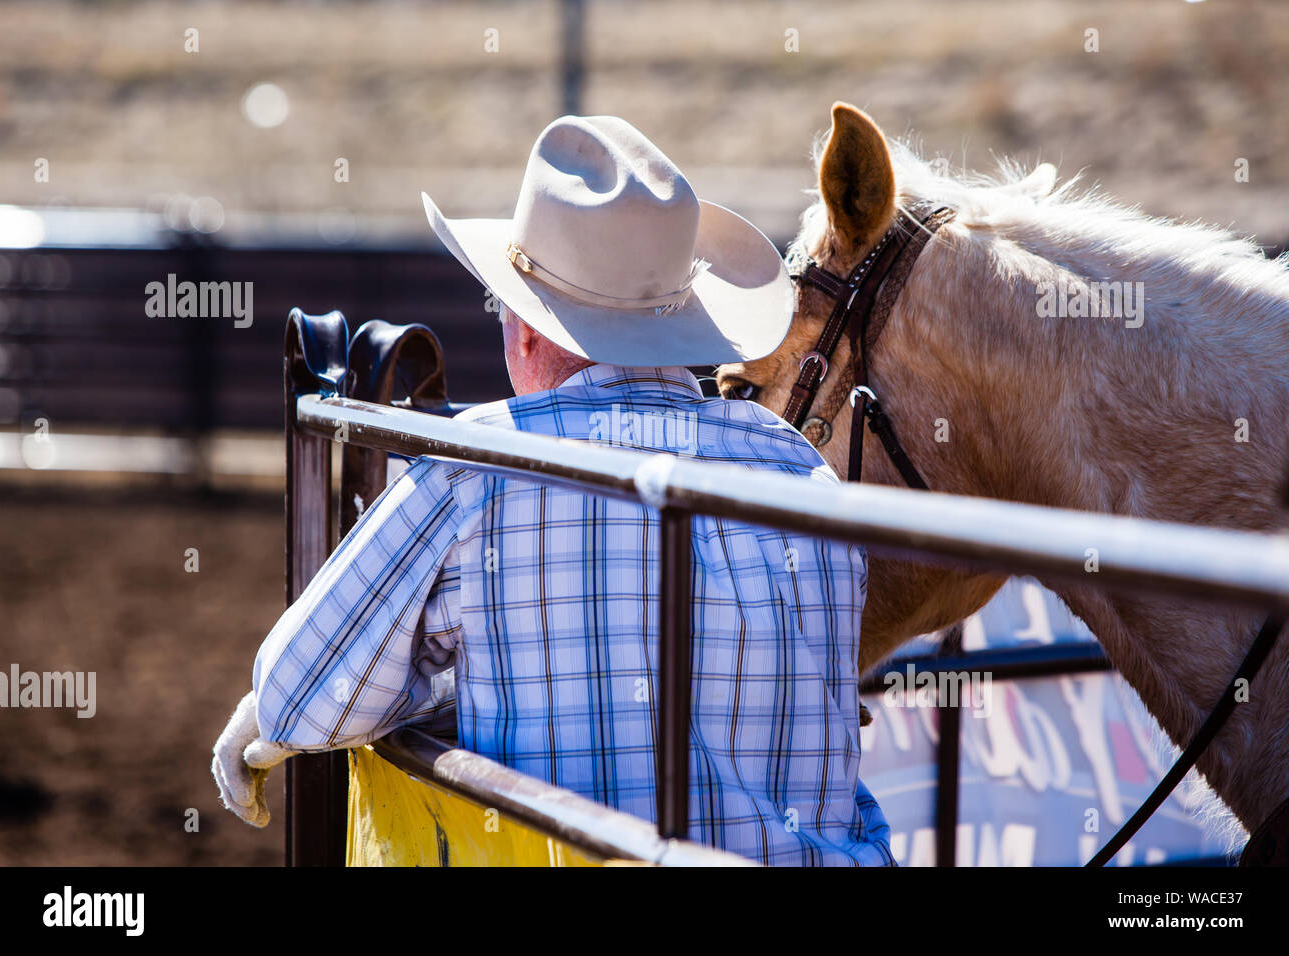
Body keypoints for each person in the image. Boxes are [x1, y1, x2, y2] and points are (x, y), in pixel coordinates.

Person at [212, 115, 893, 866]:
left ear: (530, 330)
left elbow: (300, 692)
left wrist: (438, 690)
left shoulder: (478, 461)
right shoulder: (800, 470)